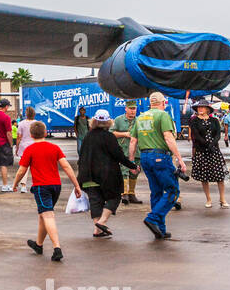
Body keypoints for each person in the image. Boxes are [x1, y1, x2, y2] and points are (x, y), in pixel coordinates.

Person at [12, 120, 82, 262]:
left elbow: (21, 171)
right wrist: (76, 185)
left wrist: (15, 184)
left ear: (31, 135)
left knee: (48, 215)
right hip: (56, 186)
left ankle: (57, 248)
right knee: (43, 215)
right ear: (45, 133)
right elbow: (67, 167)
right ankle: (38, 245)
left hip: (41, 187)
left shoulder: (30, 150)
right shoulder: (54, 148)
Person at [128, 92, 186, 239]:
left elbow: (133, 141)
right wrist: (180, 159)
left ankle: (160, 228)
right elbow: (168, 137)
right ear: (163, 103)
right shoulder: (163, 115)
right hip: (160, 156)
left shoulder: (140, 117)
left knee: (156, 192)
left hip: (145, 157)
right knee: (173, 191)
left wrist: (132, 162)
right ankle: (153, 218)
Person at [77, 109, 139, 237]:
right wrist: (132, 166)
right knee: (115, 197)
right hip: (106, 176)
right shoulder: (109, 137)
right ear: (109, 122)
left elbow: (81, 155)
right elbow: (119, 156)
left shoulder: (88, 136)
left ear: (93, 121)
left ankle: (97, 230)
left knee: (95, 201)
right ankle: (102, 221)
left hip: (87, 175)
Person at [189, 99, 229, 208]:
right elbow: (196, 135)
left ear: (207, 109)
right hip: (201, 151)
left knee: (220, 176)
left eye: (202, 107)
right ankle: (208, 199)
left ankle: (222, 198)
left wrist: (213, 144)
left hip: (214, 151)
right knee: (204, 177)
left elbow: (217, 134)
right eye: (199, 107)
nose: (200, 109)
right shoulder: (194, 120)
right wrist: (207, 144)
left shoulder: (214, 120)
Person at [111, 102, 142, 204]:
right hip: (123, 151)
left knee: (134, 173)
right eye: (131, 108)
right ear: (126, 109)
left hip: (136, 152)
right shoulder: (119, 120)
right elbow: (111, 133)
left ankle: (132, 194)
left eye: (134, 108)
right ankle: (124, 194)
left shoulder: (139, 121)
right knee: (123, 172)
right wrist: (125, 134)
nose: (133, 111)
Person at [14, 107, 39, 193]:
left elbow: (18, 137)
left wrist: (17, 148)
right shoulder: (36, 123)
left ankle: (23, 186)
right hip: (34, 146)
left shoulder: (21, 123)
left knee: (24, 167)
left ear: (26, 114)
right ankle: (36, 184)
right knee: (35, 167)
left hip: (24, 147)